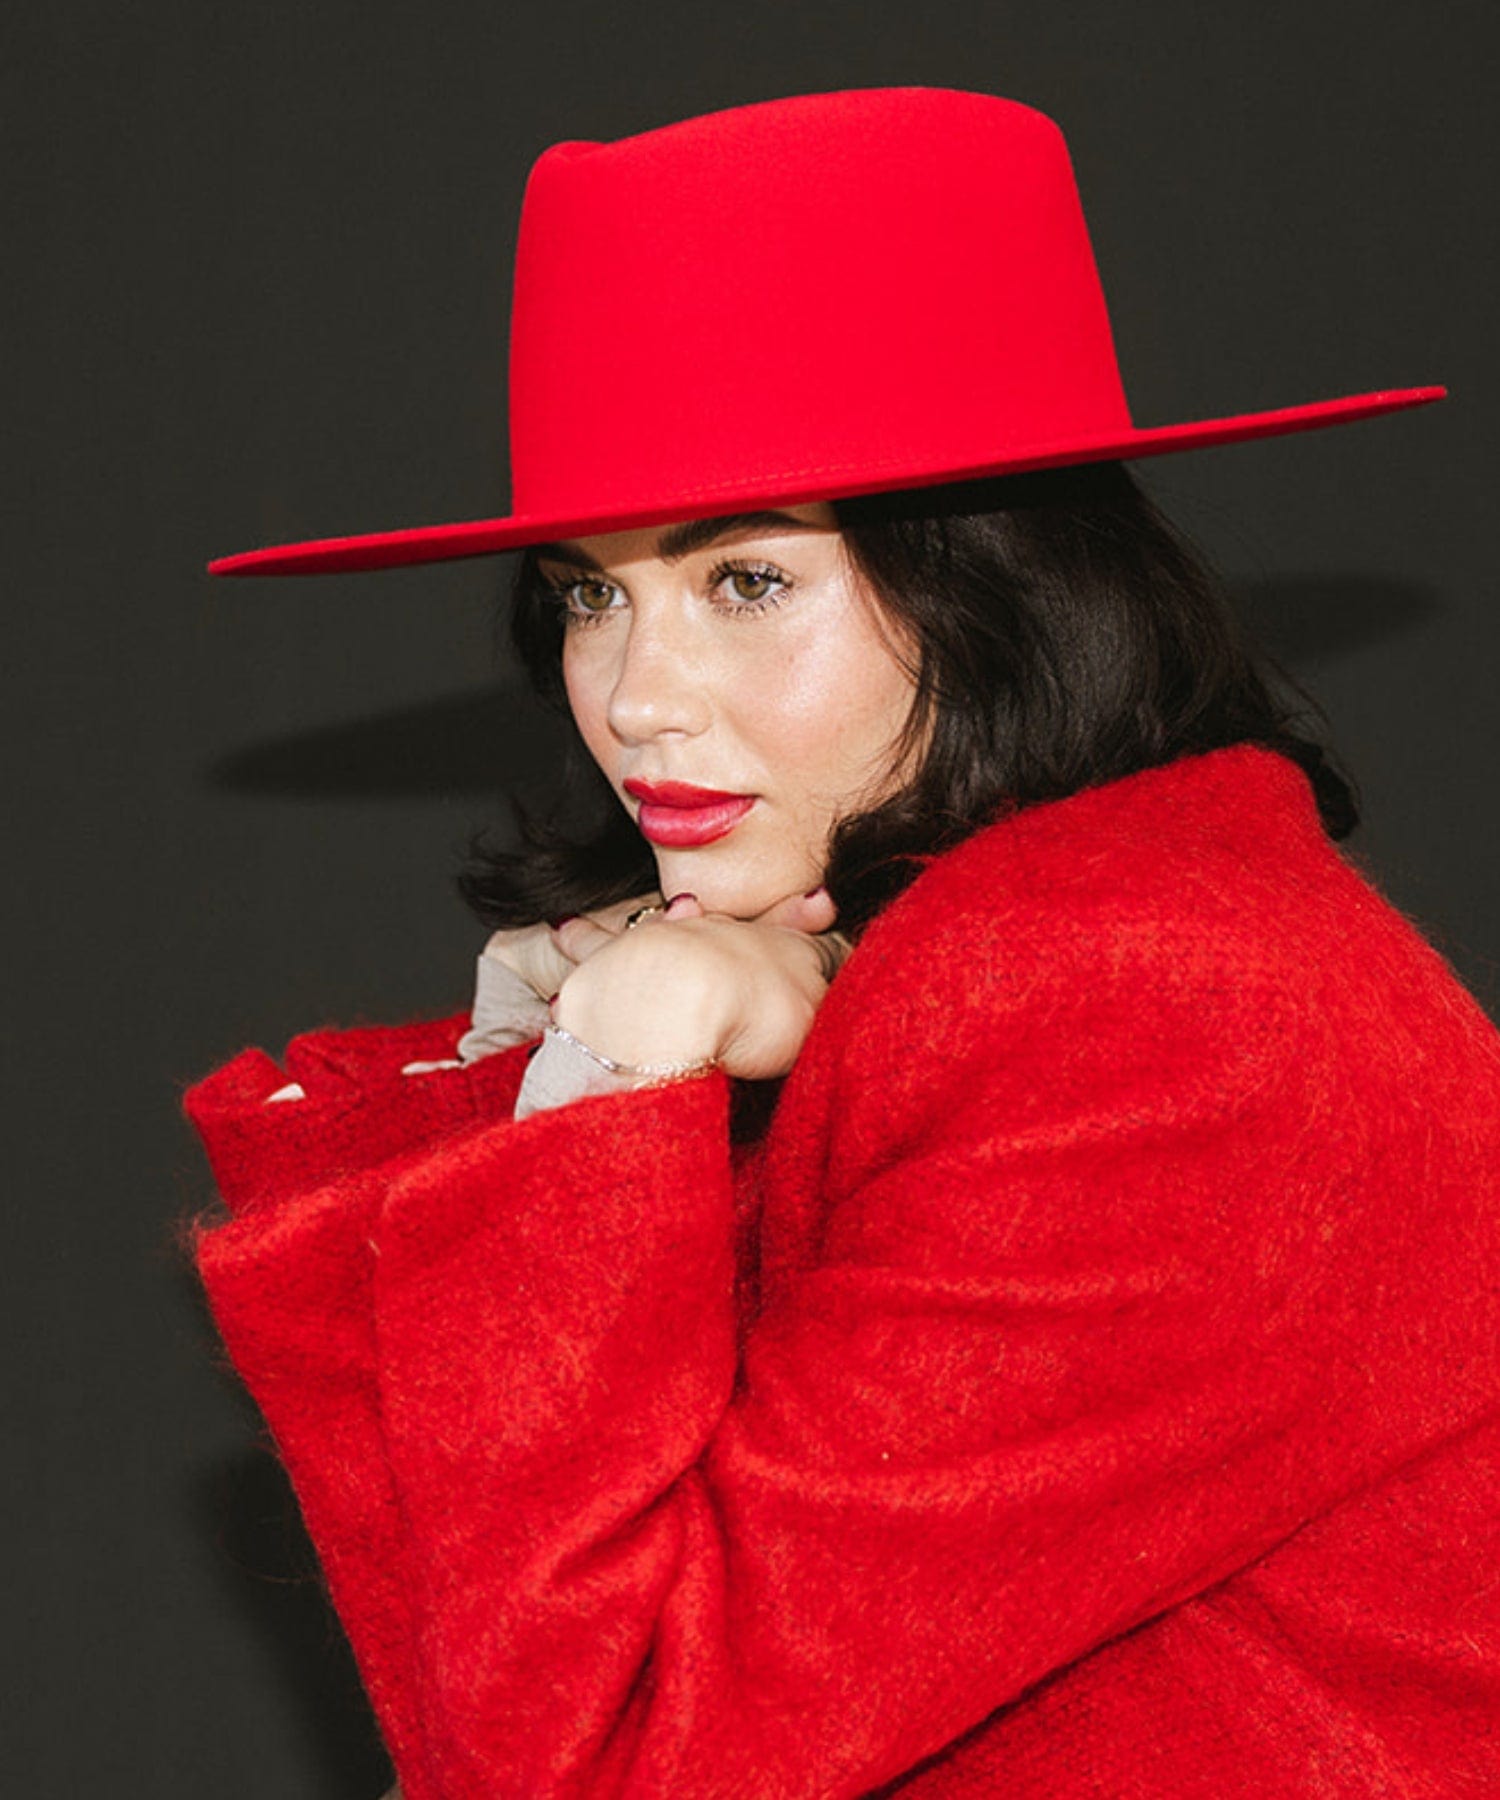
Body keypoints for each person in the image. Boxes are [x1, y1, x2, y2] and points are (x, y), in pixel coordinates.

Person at [185, 89, 1500, 1798]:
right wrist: (550, 1067)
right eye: (590, 593)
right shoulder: (988, 959)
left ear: (1003, 583)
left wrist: (608, 1089)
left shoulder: (1160, 1015)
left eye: (745, 580)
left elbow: (609, 1762)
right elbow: (471, 1685)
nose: (635, 698)